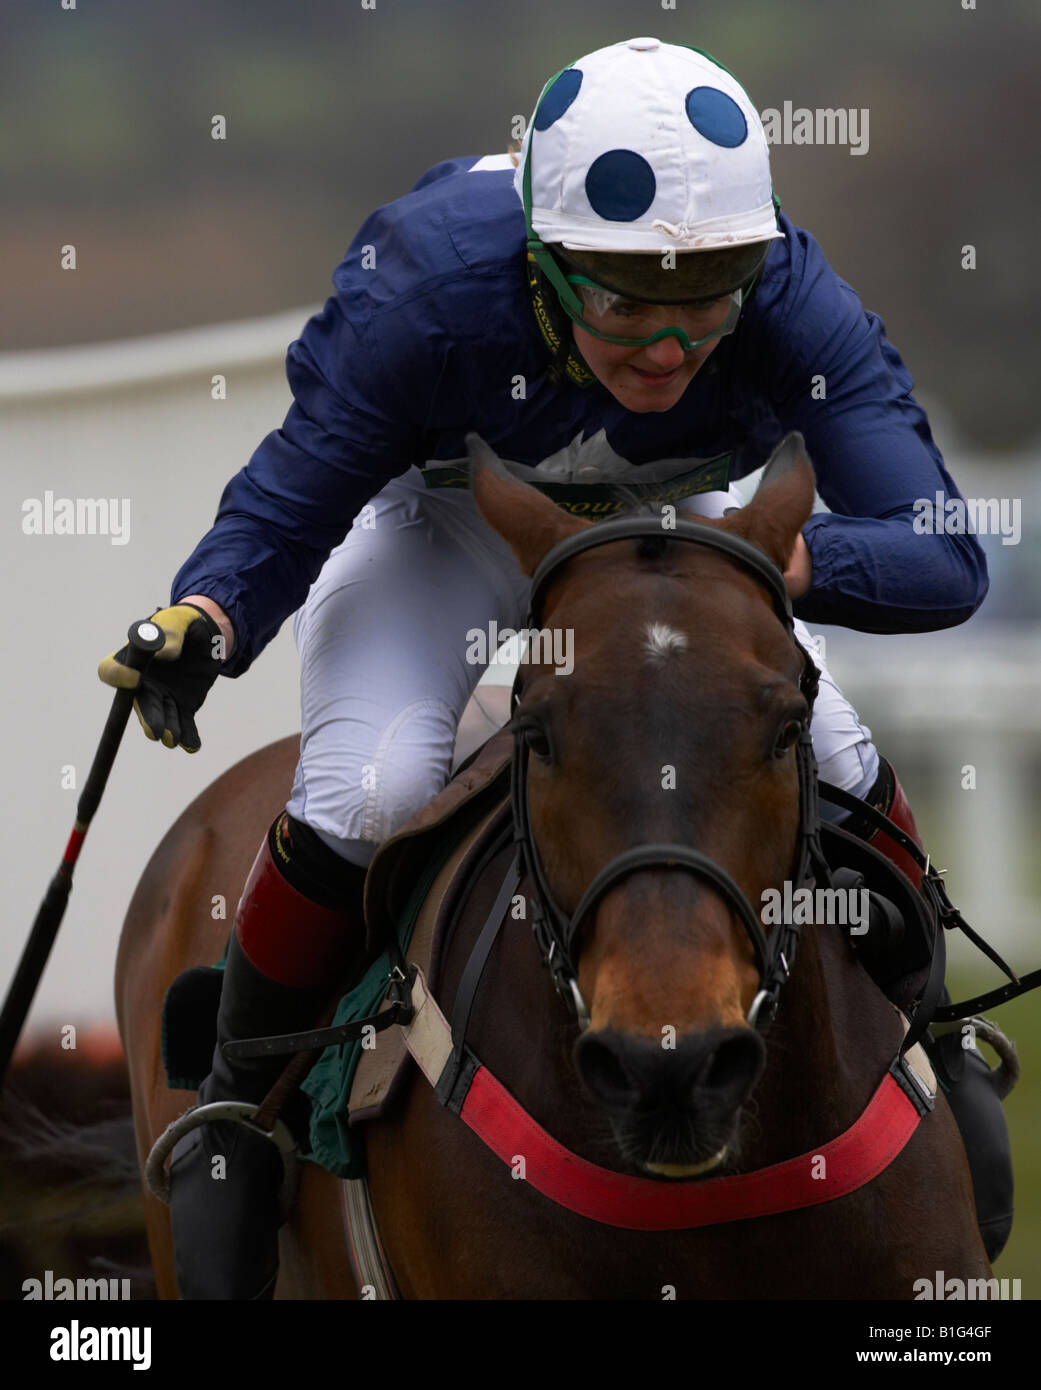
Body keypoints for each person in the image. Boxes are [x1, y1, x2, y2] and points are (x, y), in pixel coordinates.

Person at [100, 38, 1000, 1299]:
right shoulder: (426, 282)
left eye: (708, 295)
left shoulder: (795, 294)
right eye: (624, 299)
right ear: (542, 256)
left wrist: (777, 570)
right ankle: (241, 1110)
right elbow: (296, 495)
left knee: (834, 754)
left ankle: (941, 1048)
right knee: (368, 787)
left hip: (681, 533)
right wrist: (207, 610)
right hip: (450, 522)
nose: (671, 343)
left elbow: (943, 557)